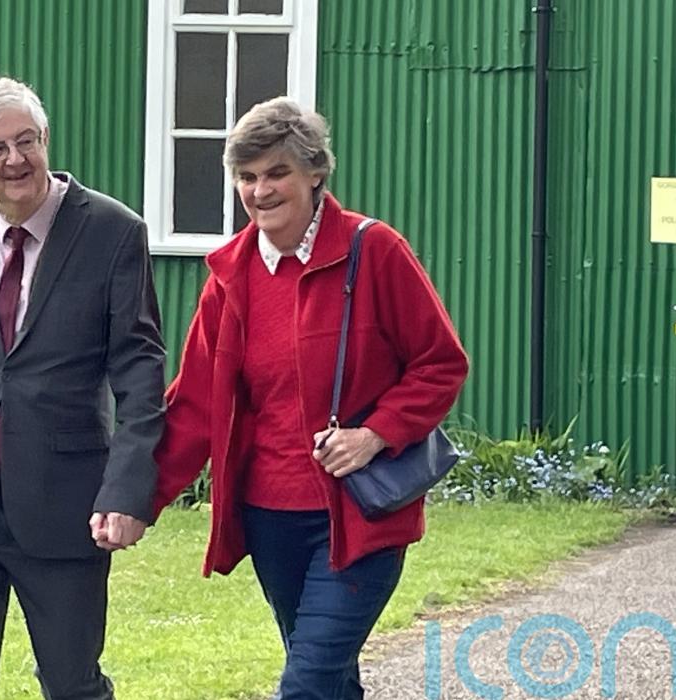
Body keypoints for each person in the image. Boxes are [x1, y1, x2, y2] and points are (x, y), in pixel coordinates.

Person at [152, 97, 468, 699]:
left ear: (315, 173)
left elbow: (441, 362)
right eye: (246, 177)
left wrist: (375, 433)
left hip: (358, 514)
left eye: (277, 173)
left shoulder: (374, 251)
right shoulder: (230, 276)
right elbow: (194, 403)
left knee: (306, 683)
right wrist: (133, 499)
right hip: (271, 520)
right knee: (328, 679)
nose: (259, 190)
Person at [0, 76, 166, 700]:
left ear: (46, 139)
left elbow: (140, 370)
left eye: (26, 141)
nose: (15, 159)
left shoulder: (113, 232)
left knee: (71, 684)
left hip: (65, 504)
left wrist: (127, 490)